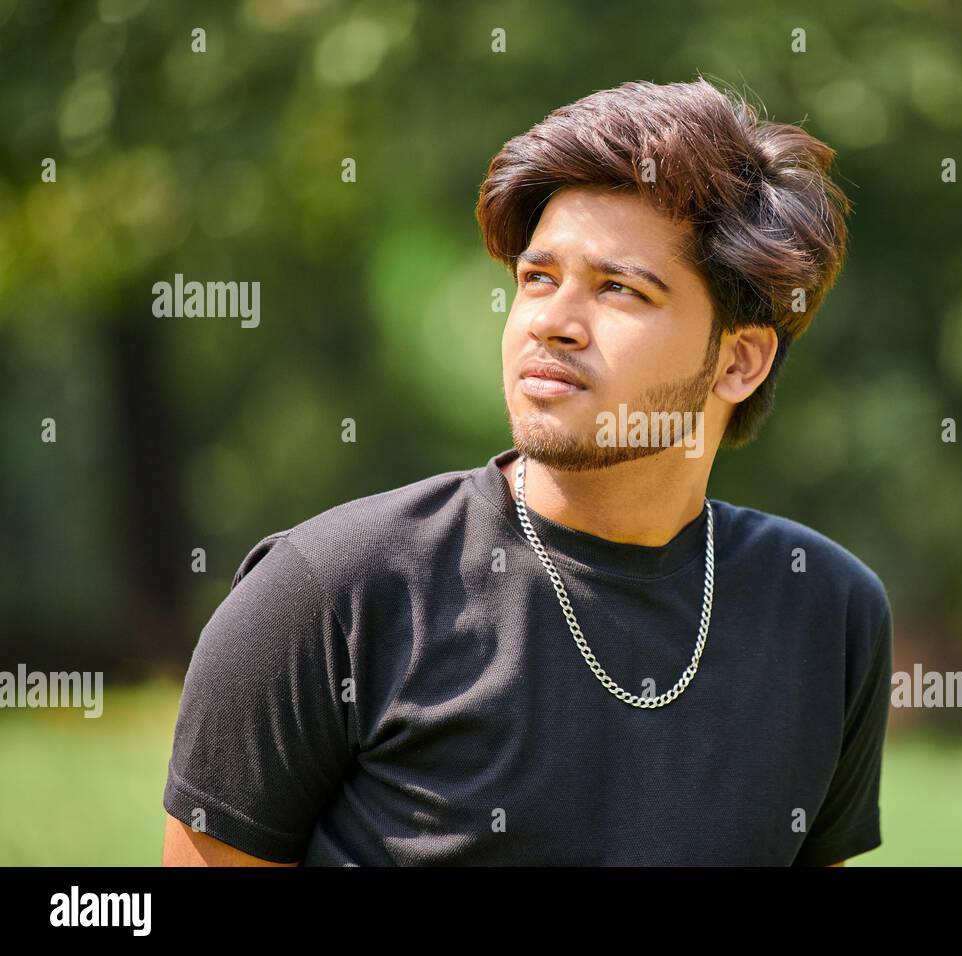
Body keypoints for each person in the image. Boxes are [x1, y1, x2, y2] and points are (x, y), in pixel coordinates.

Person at [162, 77, 892, 866]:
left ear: (739, 359)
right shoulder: (326, 594)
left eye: (618, 289)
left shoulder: (827, 611)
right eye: (537, 280)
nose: (550, 322)